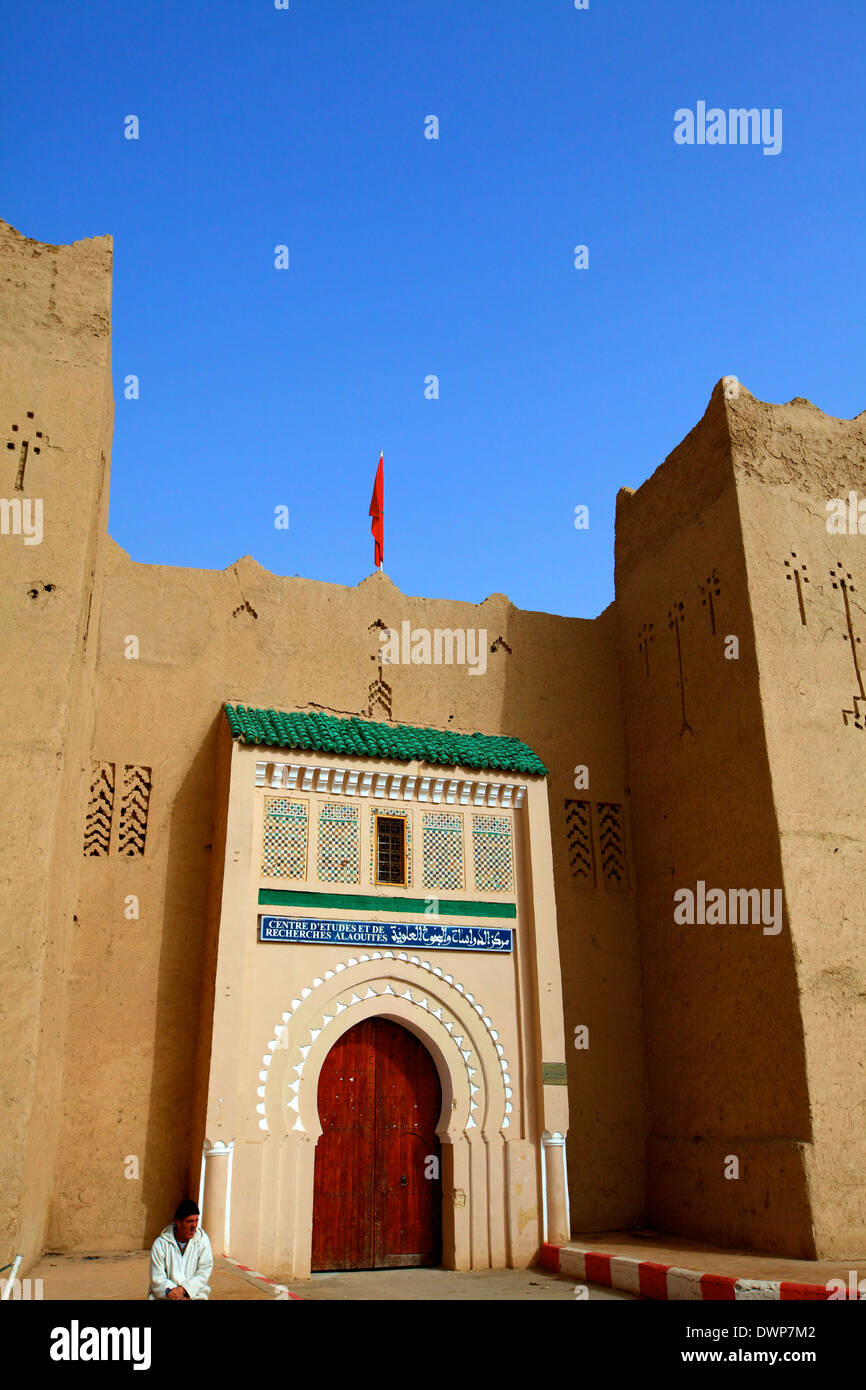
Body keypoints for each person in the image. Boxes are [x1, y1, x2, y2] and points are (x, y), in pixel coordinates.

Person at [148, 1199, 213, 1300]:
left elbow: (204, 1272)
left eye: (196, 1221)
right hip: (167, 1296)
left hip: (194, 1296)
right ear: (178, 1222)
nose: (194, 1226)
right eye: (190, 1221)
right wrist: (177, 1296)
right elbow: (157, 1279)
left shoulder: (202, 1240)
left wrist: (184, 1290)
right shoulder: (161, 1244)